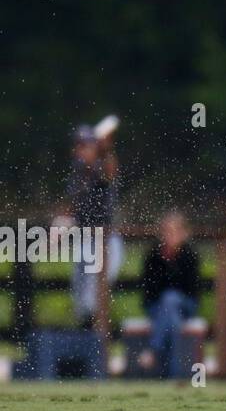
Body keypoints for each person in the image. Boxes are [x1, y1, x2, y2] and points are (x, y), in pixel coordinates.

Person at [67, 121, 123, 329]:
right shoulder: (77, 172)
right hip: (85, 240)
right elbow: (71, 207)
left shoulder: (102, 165)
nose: (81, 150)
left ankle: (97, 345)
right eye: (79, 145)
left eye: (85, 145)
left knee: (95, 296)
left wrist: (106, 148)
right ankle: (86, 345)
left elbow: (110, 171)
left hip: (106, 241)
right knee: (81, 299)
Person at [138, 211, 201, 379]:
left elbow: (190, 289)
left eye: (174, 231)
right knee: (172, 318)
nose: (170, 236)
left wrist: (171, 270)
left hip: (185, 305)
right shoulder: (153, 255)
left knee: (171, 299)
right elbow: (150, 290)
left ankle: (153, 350)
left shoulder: (190, 255)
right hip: (157, 307)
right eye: (167, 231)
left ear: (183, 233)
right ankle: (176, 375)